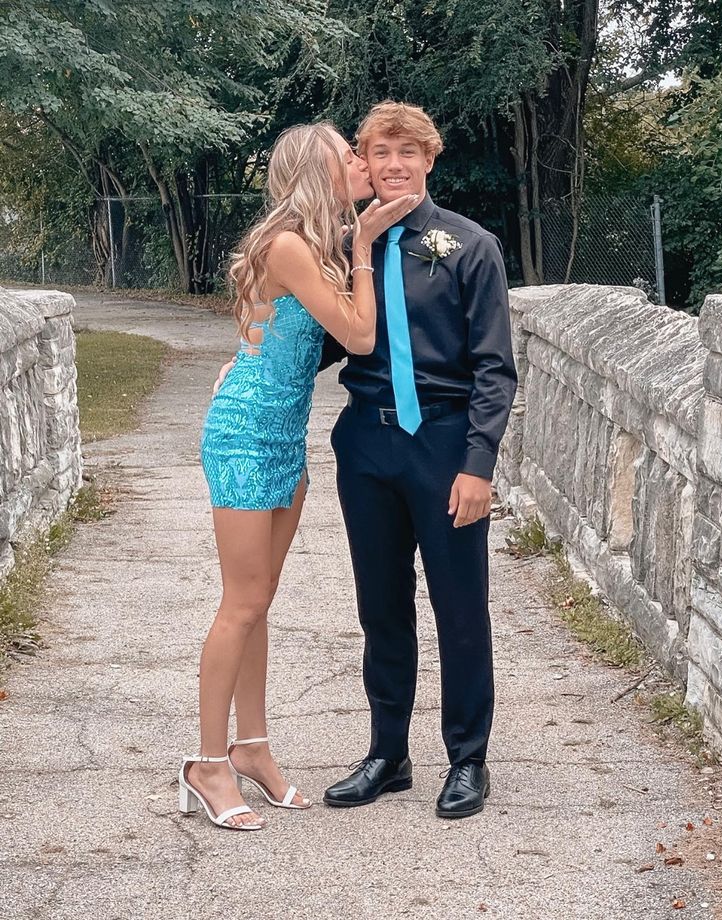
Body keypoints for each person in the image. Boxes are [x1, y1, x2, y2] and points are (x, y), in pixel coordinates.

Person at [179, 121, 418, 830]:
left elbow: (287, 341)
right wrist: (367, 250)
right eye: (349, 154)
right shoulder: (288, 243)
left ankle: (251, 747)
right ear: (319, 172)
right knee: (241, 604)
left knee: (260, 601)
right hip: (247, 437)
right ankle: (206, 764)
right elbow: (361, 337)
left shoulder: (308, 242)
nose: (361, 161)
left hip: (283, 435)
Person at [318, 101, 517, 819]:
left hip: (444, 443)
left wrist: (479, 463)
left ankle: (468, 759)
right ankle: (387, 753)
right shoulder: (342, 248)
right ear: (362, 164)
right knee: (381, 606)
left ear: (430, 159)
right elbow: (330, 340)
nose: (393, 163)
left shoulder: (469, 246)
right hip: (367, 444)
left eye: (407, 151)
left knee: (460, 607)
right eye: (379, 151)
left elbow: (496, 368)